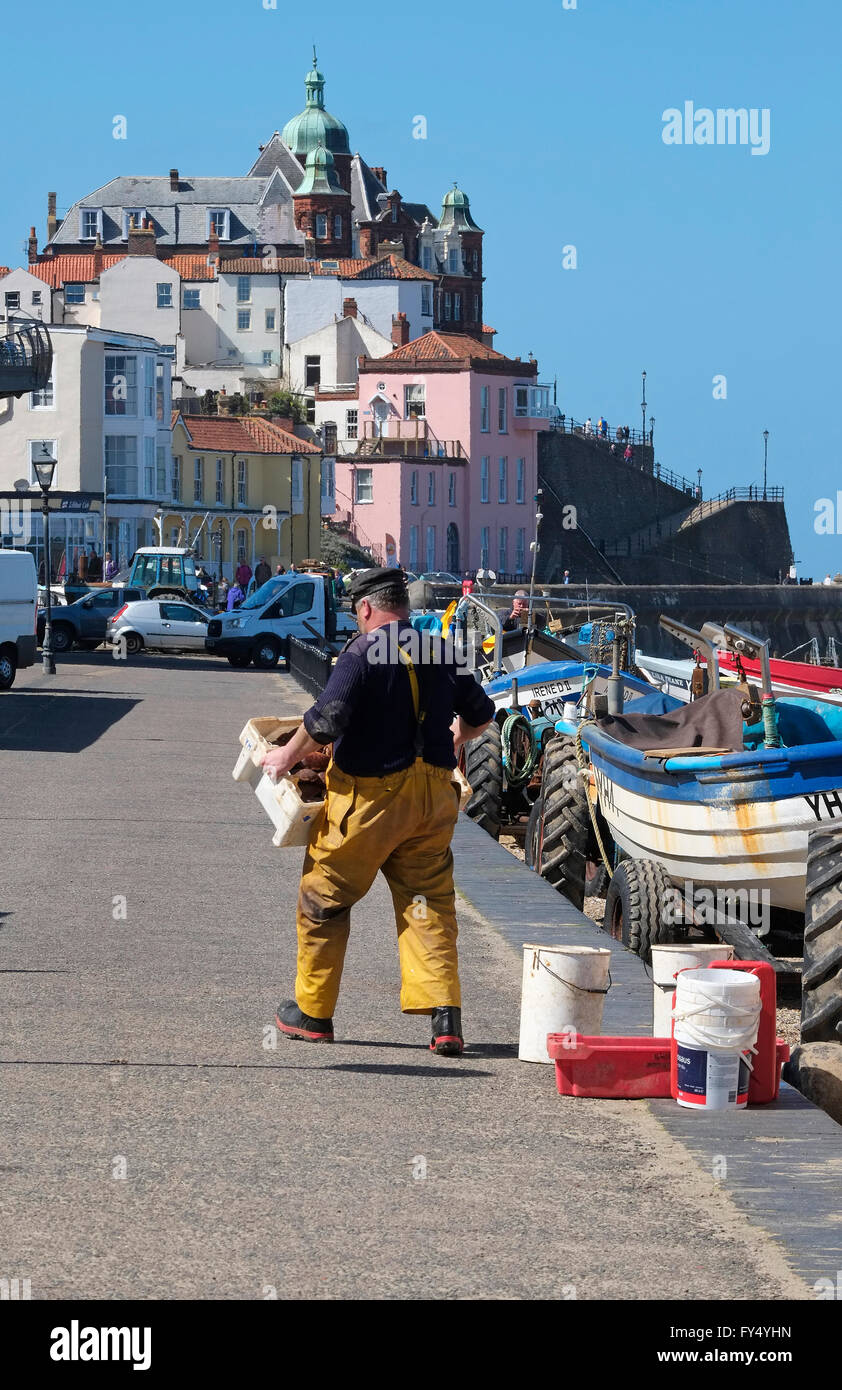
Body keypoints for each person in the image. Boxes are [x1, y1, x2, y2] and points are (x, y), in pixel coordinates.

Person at [260, 566, 495, 1055]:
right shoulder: (443, 651)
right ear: (402, 606)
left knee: (324, 898)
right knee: (427, 903)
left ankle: (312, 1014)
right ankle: (445, 1020)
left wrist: (285, 756)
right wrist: (455, 738)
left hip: (369, 802)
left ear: (365, 608)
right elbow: (482, 715)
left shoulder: (361, 652)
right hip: (433, 800)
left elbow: (326, 719)